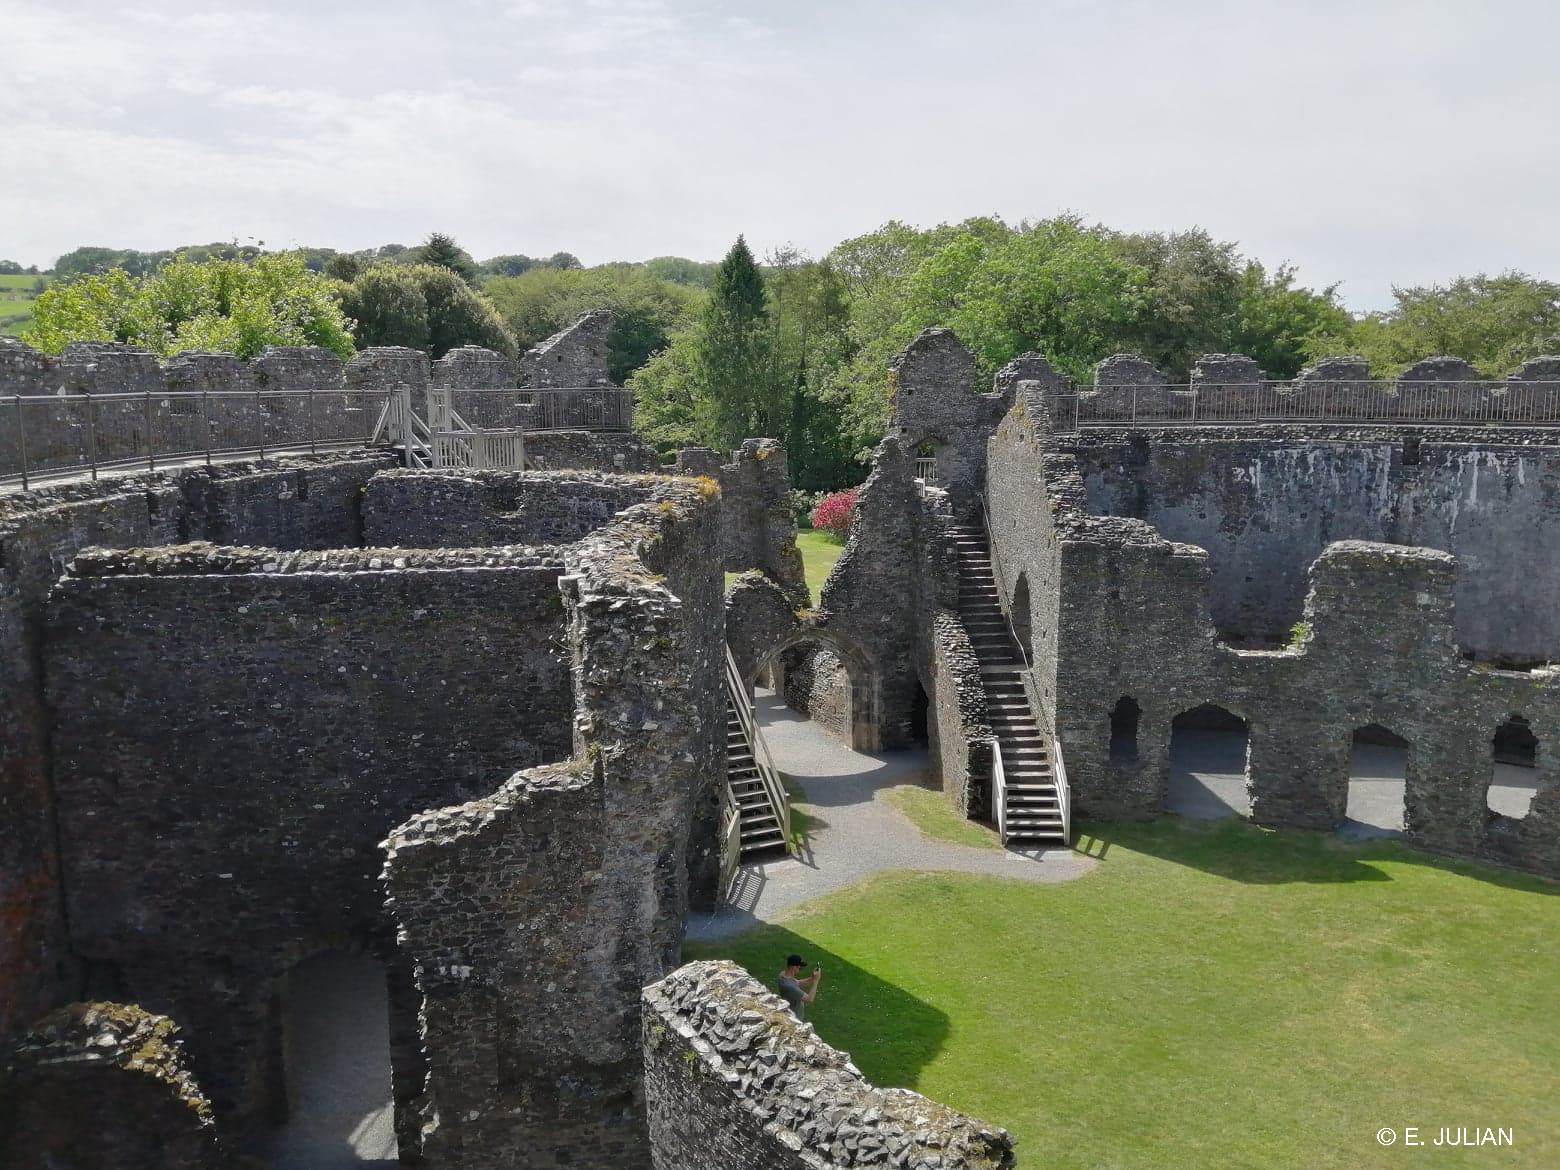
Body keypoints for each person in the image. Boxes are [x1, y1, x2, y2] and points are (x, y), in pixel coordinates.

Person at [777, 953, 822, 1020]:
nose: (800, 969)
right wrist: (816, 981)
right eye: (799, 968)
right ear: (793, 967)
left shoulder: (783, 974)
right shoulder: (789, 987)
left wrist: (812, 978)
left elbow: (798, 983)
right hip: (794, 1018)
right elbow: (809, 999)